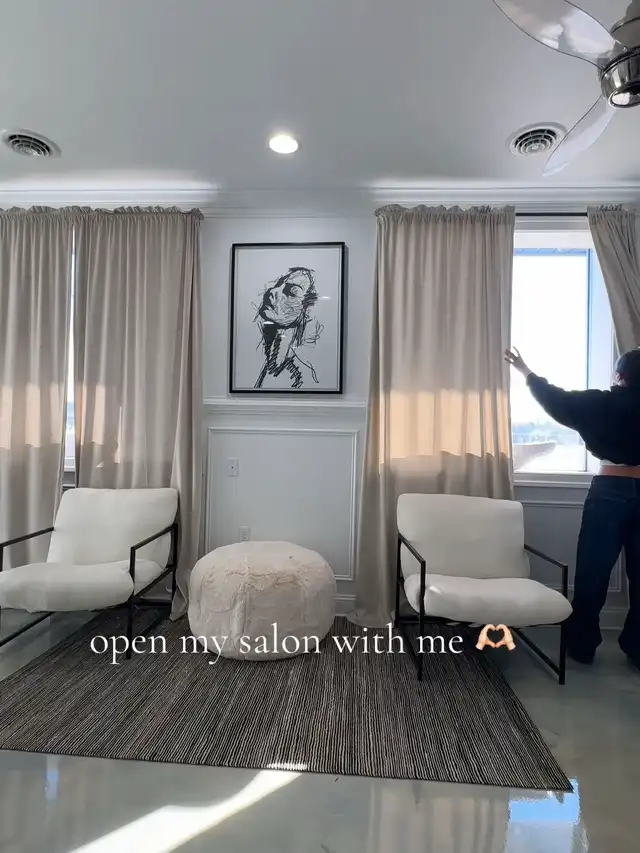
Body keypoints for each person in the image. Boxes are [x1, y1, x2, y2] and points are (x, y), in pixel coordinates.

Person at [505, 346, 640, 667]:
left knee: (593, 571)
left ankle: (582, 645)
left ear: (619, 376)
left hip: (610, 489)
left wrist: (526, 372)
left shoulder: (598, 403)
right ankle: (638, 648)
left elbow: (556, 400)